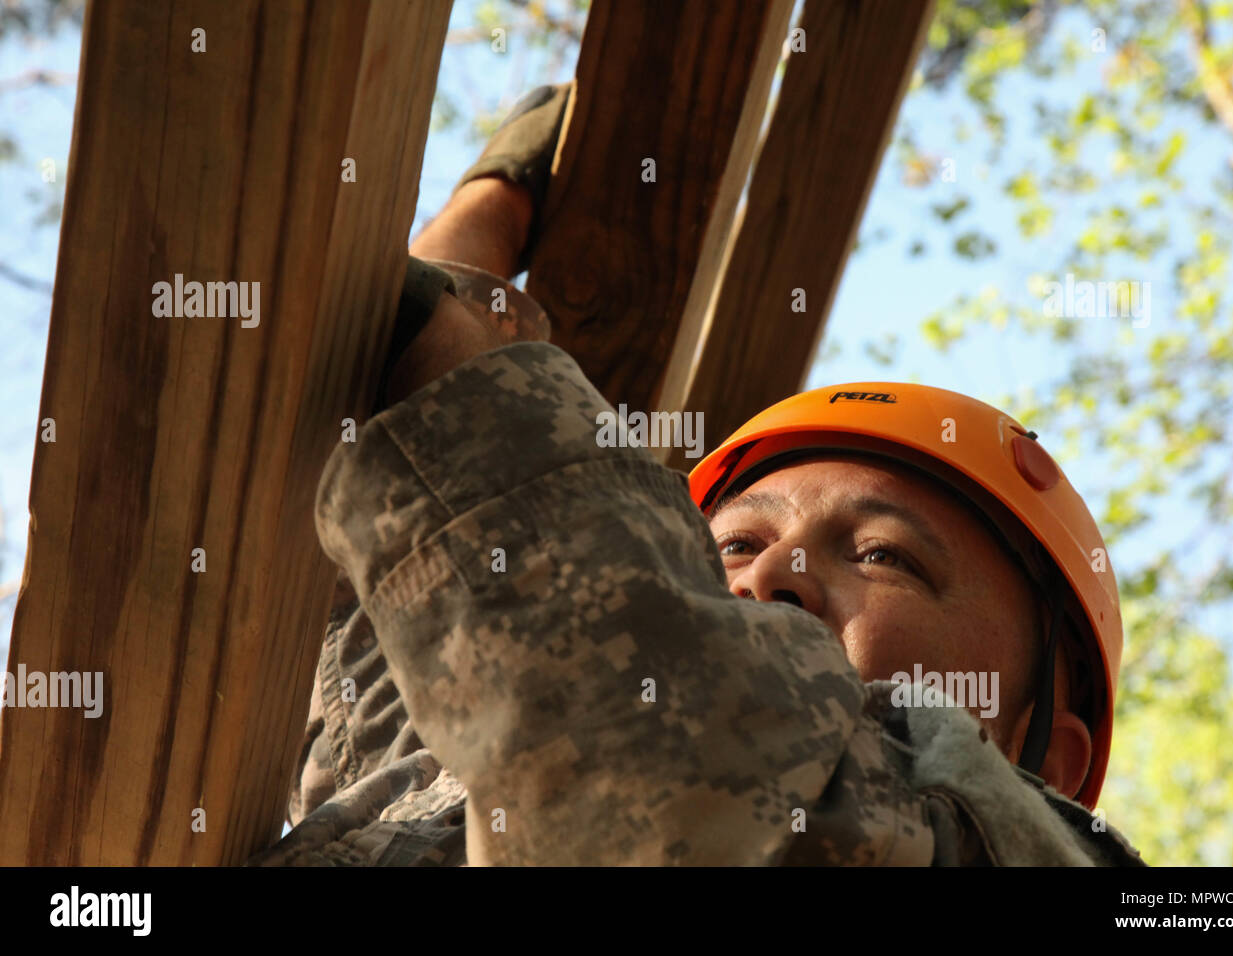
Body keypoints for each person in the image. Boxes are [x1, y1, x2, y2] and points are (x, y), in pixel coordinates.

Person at [246, 85, 1144, 867]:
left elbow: (672, 775)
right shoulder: (467, 790)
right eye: (736, 540)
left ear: (1050, 764)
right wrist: (478, 230)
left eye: (884, 556)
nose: (774, 571)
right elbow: (426, 612)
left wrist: (452, 357)